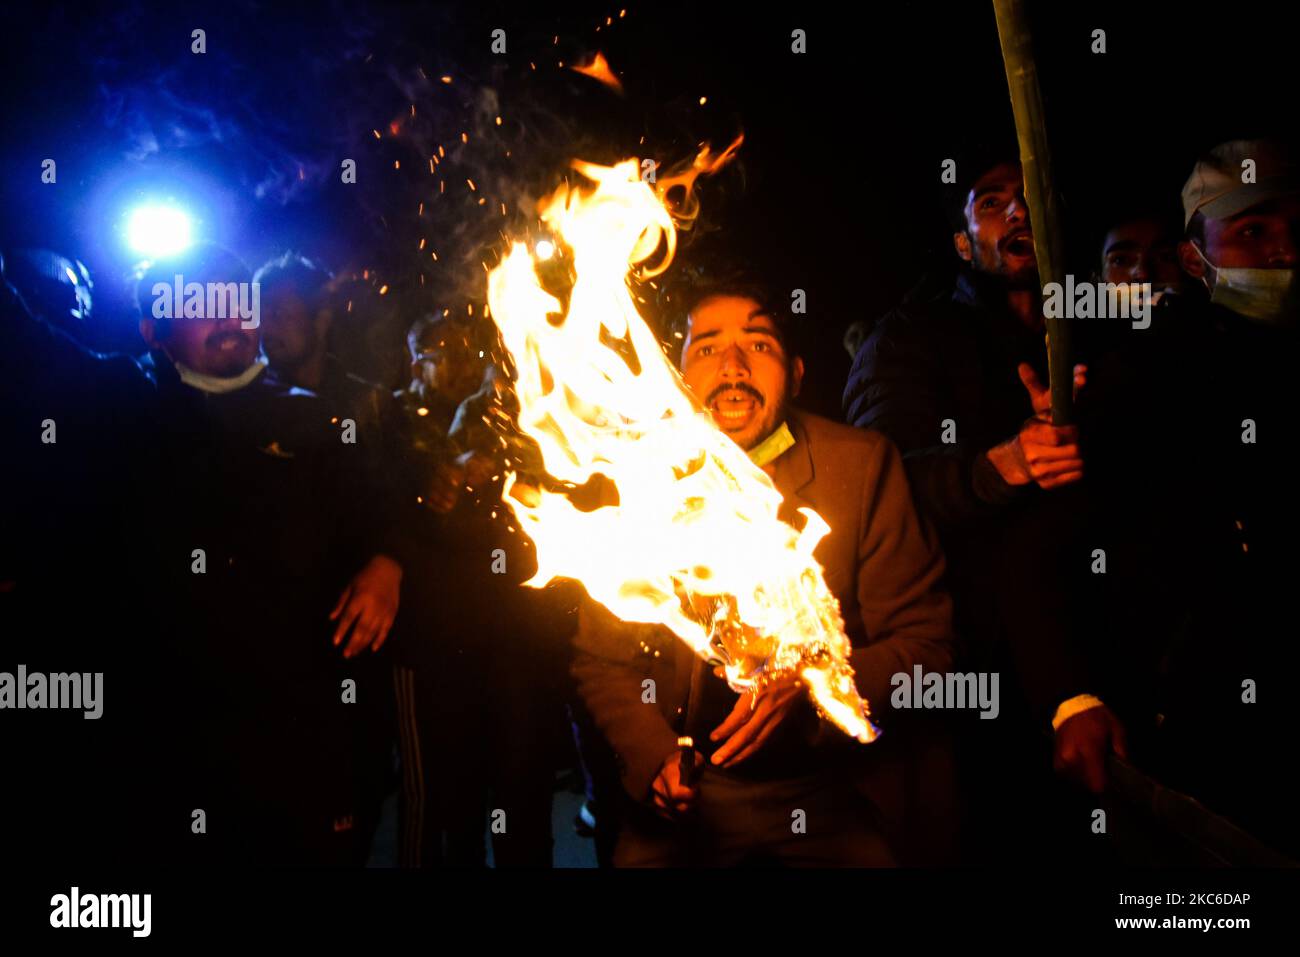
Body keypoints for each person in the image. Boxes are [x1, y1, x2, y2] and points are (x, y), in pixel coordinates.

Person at [572, 271, 956, 866]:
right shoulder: (635, 481)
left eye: (758, 343)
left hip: (828, 792)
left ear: (797, 374)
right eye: (706, 347)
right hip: (692, 798)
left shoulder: (861, 467)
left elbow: (928, 648)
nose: (732, 364)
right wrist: (655, 761)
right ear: (675, 377)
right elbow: (600, 660)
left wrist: (813, 686)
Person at [843, 147, 1124, 863]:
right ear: (965, 240)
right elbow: (881, 489)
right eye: (992, 201)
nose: (1019, 211)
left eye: (1031, 195)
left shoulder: (1109, 327)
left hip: (1112, 655)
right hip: (979, 680)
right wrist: (1002, 466)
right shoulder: (909, 338)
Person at [1085, 139, 1300, 857]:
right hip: (1214, 714)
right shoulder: (1146, 375)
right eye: (1252, 232)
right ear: (1193, 257)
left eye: (1294, 227)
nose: (1284, 252)